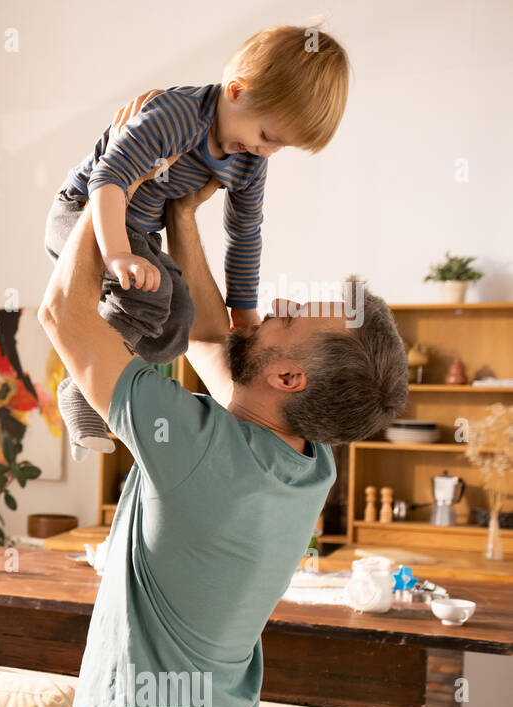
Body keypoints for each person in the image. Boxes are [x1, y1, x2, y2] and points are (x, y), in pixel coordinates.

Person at [35, 102, 410, 707]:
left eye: (287, 317)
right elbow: (212, 341)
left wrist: (116, 175)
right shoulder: (310, 461)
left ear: (290, 374)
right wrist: (180, 209)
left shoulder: (198, 451)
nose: (265, 309)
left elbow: (61, 315)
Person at [44, 24, 350, 461]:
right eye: (267, 136)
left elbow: (245, 233)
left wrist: (243, 310)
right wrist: (116, 254)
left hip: (140, 235)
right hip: (84, 210)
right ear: (238, 92)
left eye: (281, 146)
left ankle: (98, 371)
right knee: (152, 300)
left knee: (178, 322)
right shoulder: (177, 115)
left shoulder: (249, 162)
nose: (266, 152)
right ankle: (82, 384)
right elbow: (109, 176)